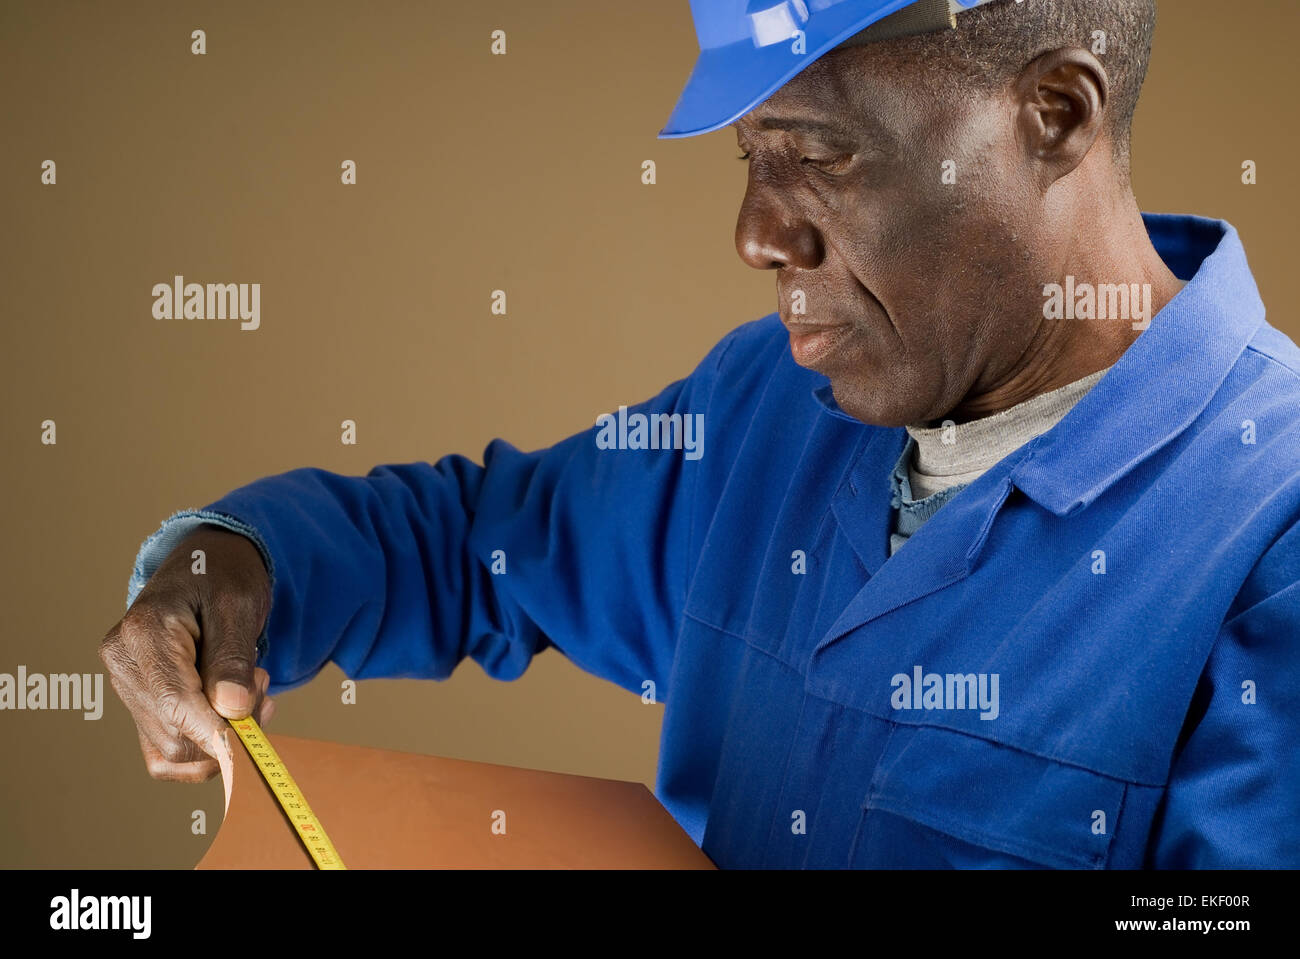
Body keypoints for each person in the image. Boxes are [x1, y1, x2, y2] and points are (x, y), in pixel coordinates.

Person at [101, 0, 1300, 867]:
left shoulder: (1270, 530)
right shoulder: (769, 412)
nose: (755, 235)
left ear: (1054, 112)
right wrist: (228, 565)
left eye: (818, 155)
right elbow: (474, 543)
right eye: (749, 157)